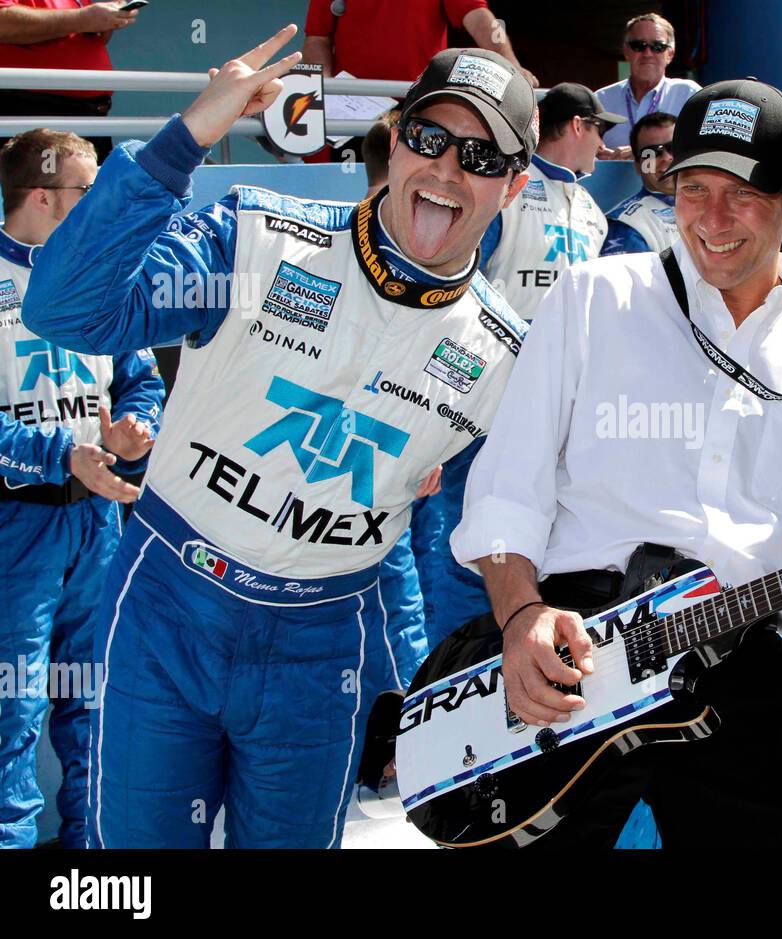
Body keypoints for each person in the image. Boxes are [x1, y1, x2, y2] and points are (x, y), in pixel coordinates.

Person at [22, 28, 536, 848]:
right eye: (432, 139)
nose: (447, 169)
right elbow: (66, 308)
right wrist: (184, 138)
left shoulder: (504, 358)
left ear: (511, 188)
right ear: (397, 141)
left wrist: (431, 685)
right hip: (168, 604)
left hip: (321, 642)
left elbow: (490, 532)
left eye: (482, 158)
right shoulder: (258, 237)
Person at [449, 77, 782, 850]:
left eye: (745, 193)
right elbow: (506, 488)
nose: (714, 218)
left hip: (741, 655)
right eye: (694, 188)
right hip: (575, 649)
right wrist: (521, 614)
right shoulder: (591, 297)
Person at [0, 128, 164, 848]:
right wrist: (61, 452)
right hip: (16, 525)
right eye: (86, 192)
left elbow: (141, 381)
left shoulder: (106, 272)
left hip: (98, 521)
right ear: (41, 196)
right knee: (14, 707)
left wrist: (135, 429)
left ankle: (88, 858)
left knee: (95, 705)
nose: (103, 204)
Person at [302, 0, 536, 163]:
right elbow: (317, 38)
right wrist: (320, 99)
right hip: (352, 113)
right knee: (350, 200)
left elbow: (476, 15)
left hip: (420, 108)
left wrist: (511, 66)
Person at [480, 82, 620, 320]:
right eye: (601, 130)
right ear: (577, 125)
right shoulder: (506, 186)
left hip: (577, 350)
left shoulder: (593, 210)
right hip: (506, 349)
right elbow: (463, 277)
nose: (603, 145)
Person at [0, 0, 140, 163]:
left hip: (89, 116)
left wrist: (101, 22)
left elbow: (73, 33)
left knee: (89, 185)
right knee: (46, 185)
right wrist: (82, 18)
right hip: (36, 111)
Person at [594, 13, 700, 160]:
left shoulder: (689, 95)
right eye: (639, 46)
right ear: (626, 51)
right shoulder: (601, 100)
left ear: (670, 54)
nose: (647, 53)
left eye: (657, 46)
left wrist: (643, 153)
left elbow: (703, 148)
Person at [601, 111, 678, 255]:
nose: (667, 158)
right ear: (637, 165)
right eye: (652, 153)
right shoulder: (627, 224)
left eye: (673, 147)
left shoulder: (714, 203)